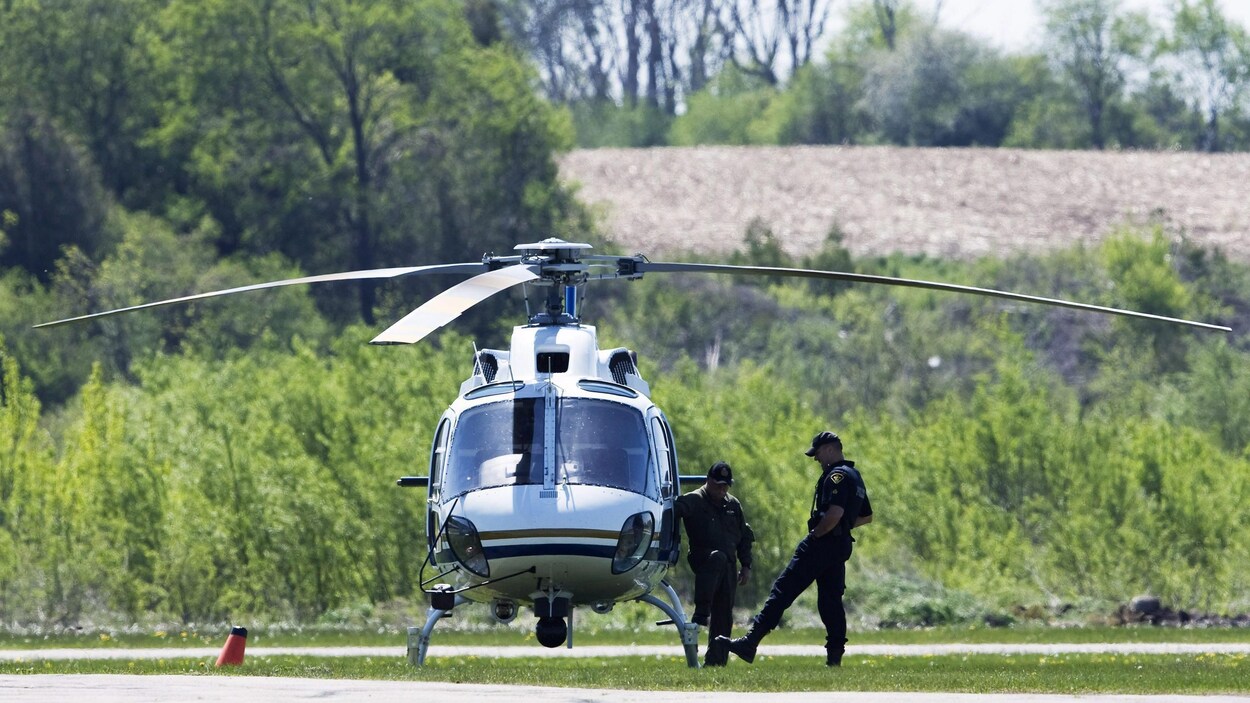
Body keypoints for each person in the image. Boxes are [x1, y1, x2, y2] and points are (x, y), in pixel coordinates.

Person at [713, 431, 872, 667]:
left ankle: (751, 641)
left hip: (823, 543)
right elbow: (866, 516)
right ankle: (834, 657)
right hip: (840, 545)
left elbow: (835, 513)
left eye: (818, 453)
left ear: (830, 449)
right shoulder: (854, 476)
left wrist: (817, 533)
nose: (816, 458)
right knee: (830, 601)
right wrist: (842, 527)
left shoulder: (836, 476)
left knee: (783, 589)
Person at [674, 460, 754, 667]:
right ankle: (701, 612)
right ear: (708, 481)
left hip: (728, 565)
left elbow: (745, 536)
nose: (722, 490)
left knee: (724, 615)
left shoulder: (733, 505)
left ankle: (716, 662)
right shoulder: (694, 500)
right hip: (703, 559)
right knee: (717, 557)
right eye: (718, 485)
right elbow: (672, 510)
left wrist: (746, 565)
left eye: (725, 486)